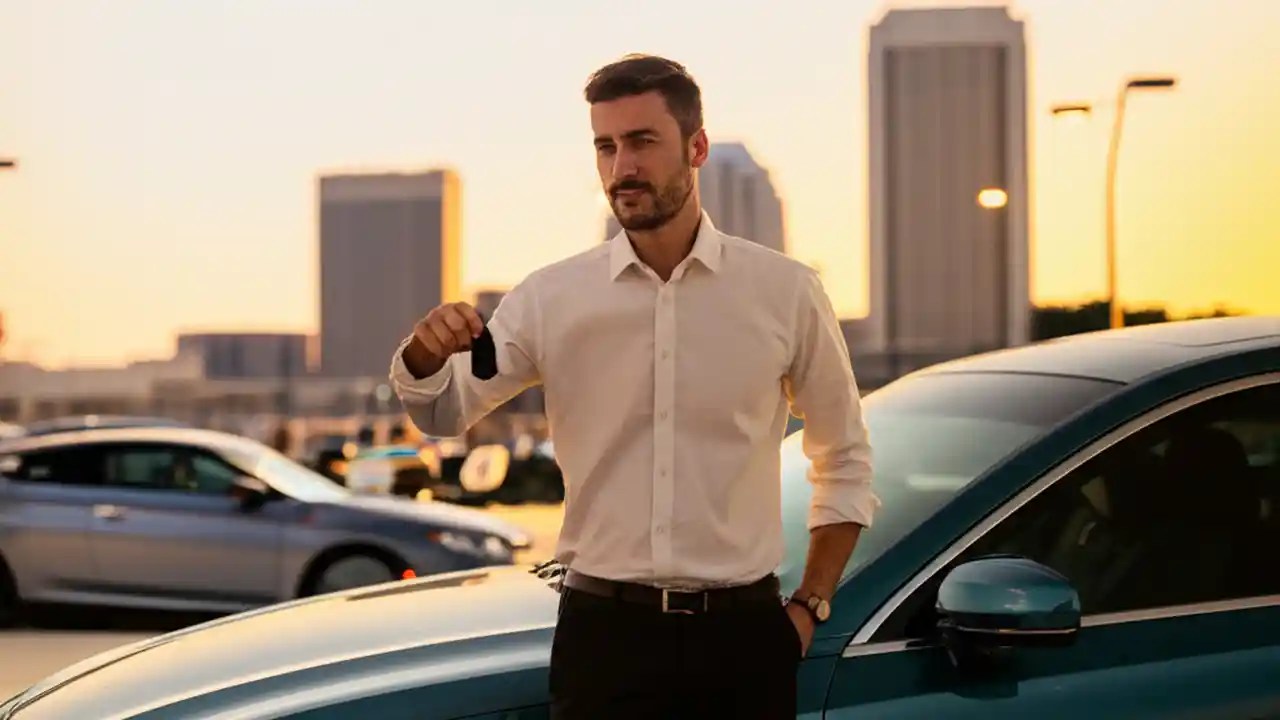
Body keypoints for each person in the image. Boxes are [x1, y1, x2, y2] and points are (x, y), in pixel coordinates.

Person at [389, 54, 877, 719]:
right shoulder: (551, 298)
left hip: (743, 642)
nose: (622, 167)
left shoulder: (785, 293)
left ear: (696, 146)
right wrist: (423, 353)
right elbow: (448, 412)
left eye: (643, 141)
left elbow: (844, 460)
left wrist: (809, 605)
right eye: (606, 146)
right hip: (604, 639)